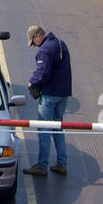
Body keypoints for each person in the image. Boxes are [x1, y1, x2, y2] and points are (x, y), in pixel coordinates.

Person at [23, 25, 71, 176]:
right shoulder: (60, 43)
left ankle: (42, 165)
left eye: (33, 42)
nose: (34, 46)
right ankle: (61, 164)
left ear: (38, 36)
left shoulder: (44, 51)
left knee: (43, 129)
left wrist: (32, 81)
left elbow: (42, 73)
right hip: (63, 93)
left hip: (50, 94)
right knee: (58, 128)